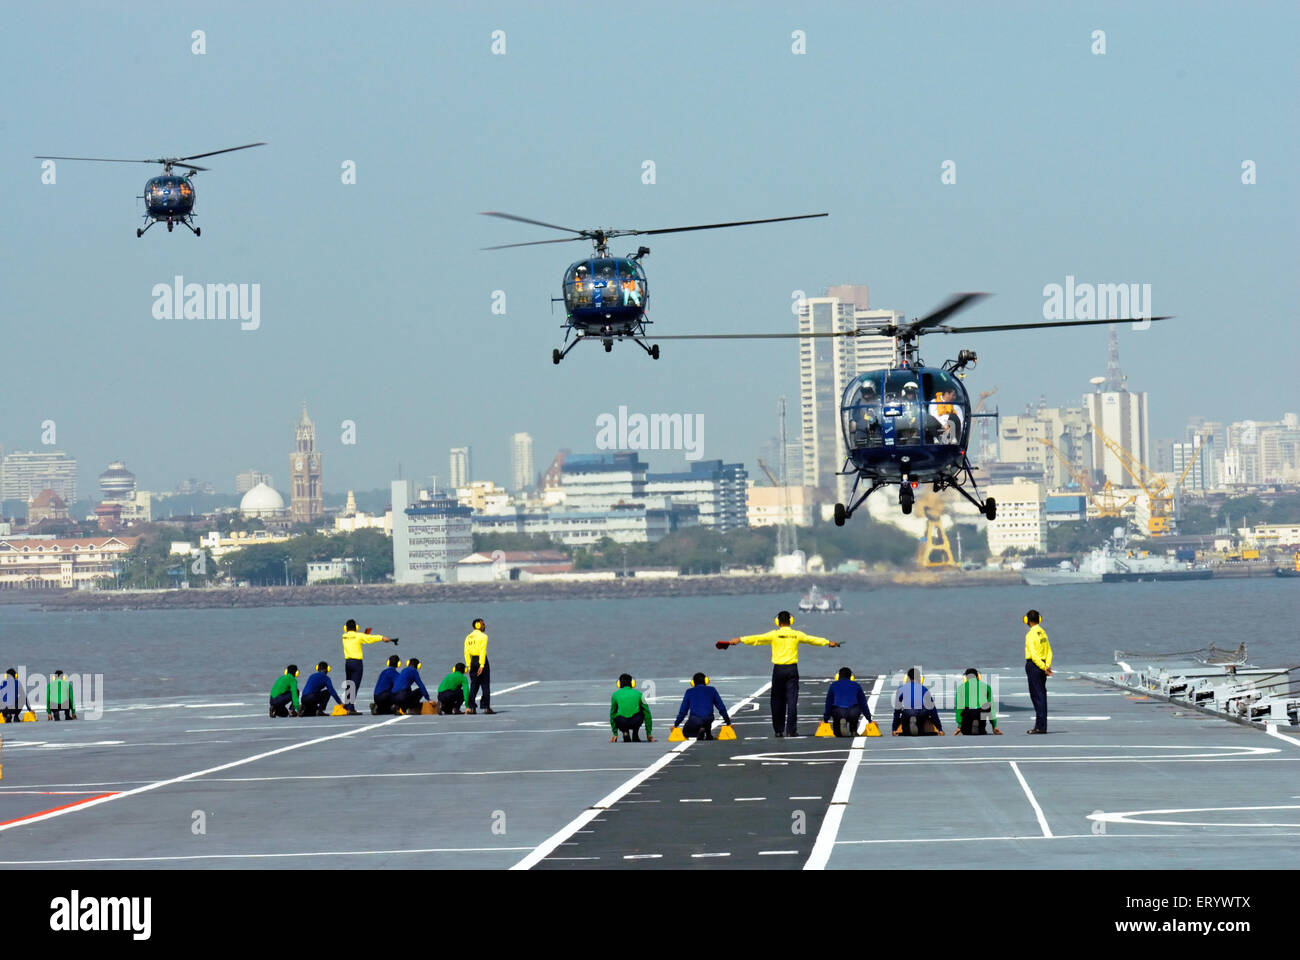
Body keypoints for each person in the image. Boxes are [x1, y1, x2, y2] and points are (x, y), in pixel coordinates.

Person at [731, 611, 840, 738]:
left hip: (778, 670)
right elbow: (812, 640)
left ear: (777, 622)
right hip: (792, 670)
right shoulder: (796, 634)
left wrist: (740, 639)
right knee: (792, 701)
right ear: (791, 621)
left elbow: (756, 638)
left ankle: (778, 730)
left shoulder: (774, 635)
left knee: (777, 701)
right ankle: (791, 730)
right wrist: (828, 642)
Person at [341, 619, 398, 715]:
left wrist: (364, 635)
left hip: (348, 663)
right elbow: (370, 638)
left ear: (346, 628)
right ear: (356, 628)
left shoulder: (344, 636)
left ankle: (348, 706)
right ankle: (350, 708)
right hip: (357, 663)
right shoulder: (359, 636)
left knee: (349, 684)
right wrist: (382, 638)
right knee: (355, 685)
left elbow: (360, 637)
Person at [674, 673, 732, 741]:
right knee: (706, 719)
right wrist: (728, 722)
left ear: (693, 682)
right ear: (706, 681)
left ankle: (699, 731)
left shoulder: (689, 692)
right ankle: (708, 733)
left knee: (686, 732)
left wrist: (676, 724)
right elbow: (721, 707)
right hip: (709, 718)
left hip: (695, 719)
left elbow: (683, 711)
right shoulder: (712, 690)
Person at [1024, 610, 1053, 734]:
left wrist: (1042, 667)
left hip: (1034, 666)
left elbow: (1034, 655)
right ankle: (1041, 725)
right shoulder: (1043, 633)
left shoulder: (1030, 635)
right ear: (1039, 619)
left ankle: (1040, 726)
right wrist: (1047, 665)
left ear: (1027, 620)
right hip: (1043, 665)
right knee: (1041, 695)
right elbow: (1049, 651)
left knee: (1036, 696)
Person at [892, 668, 943, 736]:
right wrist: (939, 728)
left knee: (905, 726)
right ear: (919, 678)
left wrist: (894, 728)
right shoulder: (924, 689)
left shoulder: (901, 689)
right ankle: (918, 727)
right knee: (923, 724)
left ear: (908, 677)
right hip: (921, 713)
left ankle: (907, 729)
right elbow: (932, 709)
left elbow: (897, 710)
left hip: (908, 712)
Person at [823, 667, 872, 737]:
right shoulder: (856, 685)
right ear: (851, 676)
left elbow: (828, 704)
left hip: (838, 712)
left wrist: (825, 719)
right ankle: (853, 730)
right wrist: (869, 719)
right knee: (856, 708)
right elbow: (863, 704)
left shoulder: (833, 685)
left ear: (838, 676)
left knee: (837, 733)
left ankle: (839, 729)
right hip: (853, 712)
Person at [953, 668, 1002, 735]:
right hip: (982, 712)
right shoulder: (987, 686)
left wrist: (959, 725)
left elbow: (959, 707)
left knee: (966, 732)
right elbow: (991, 707)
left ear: (966, 677)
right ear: (977, 676)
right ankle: (981, 727)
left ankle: (969, 726)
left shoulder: (961, 687)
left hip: (968, 712)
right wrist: (994, 726)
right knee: (982, 730)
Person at [610, 674, 654, 743]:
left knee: (616, 714)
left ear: (619, 683)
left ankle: (625, 732)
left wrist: (615, 734)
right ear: (632, 683)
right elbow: (647, 713)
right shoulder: (639, 694)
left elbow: (612, 714)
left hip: (622, 722)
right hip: (635, 722)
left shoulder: (615, 695)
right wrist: (649, 734)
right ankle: (635, 733)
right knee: (642, 711)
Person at [464, 617, 494, 715]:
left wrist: (468, 665)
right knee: (485, 685)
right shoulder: (483, 636)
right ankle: (486, 707)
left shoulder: (468, 637)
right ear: (478, 625)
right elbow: (482, 650)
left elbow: (466, 652)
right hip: (482, 661)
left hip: (472, 661)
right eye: (482, 624)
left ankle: (472, 707)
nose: (484, 625)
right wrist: (482, 665)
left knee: (474, 685)